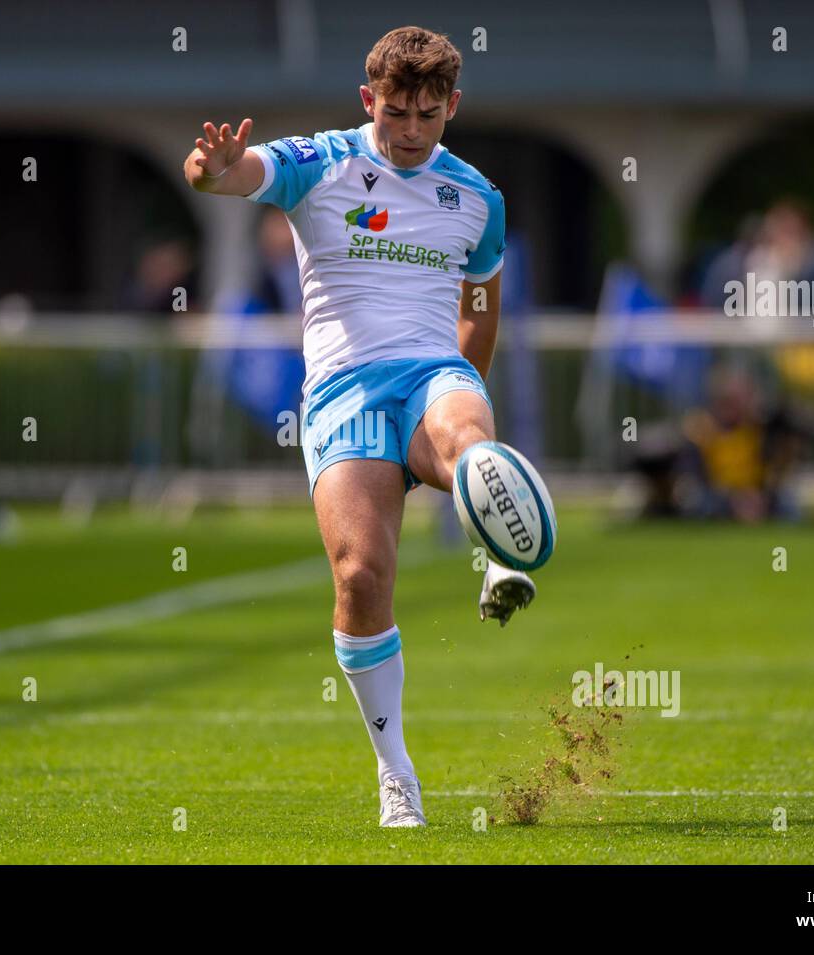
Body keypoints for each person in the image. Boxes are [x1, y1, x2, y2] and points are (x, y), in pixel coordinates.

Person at [182, 25, 554, 828]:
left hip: (432, 376)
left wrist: (459, 395)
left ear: (452, 106)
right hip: (343, 392)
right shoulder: (322, 163)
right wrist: (210, 169)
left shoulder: (478, 198)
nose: (411, 130)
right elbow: (239, 171)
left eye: (427, 114)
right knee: (360, 576)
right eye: (395, 113)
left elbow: (479, 311)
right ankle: (397, 774)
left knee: (468, 439)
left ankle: (495, 551)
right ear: (368, 101)